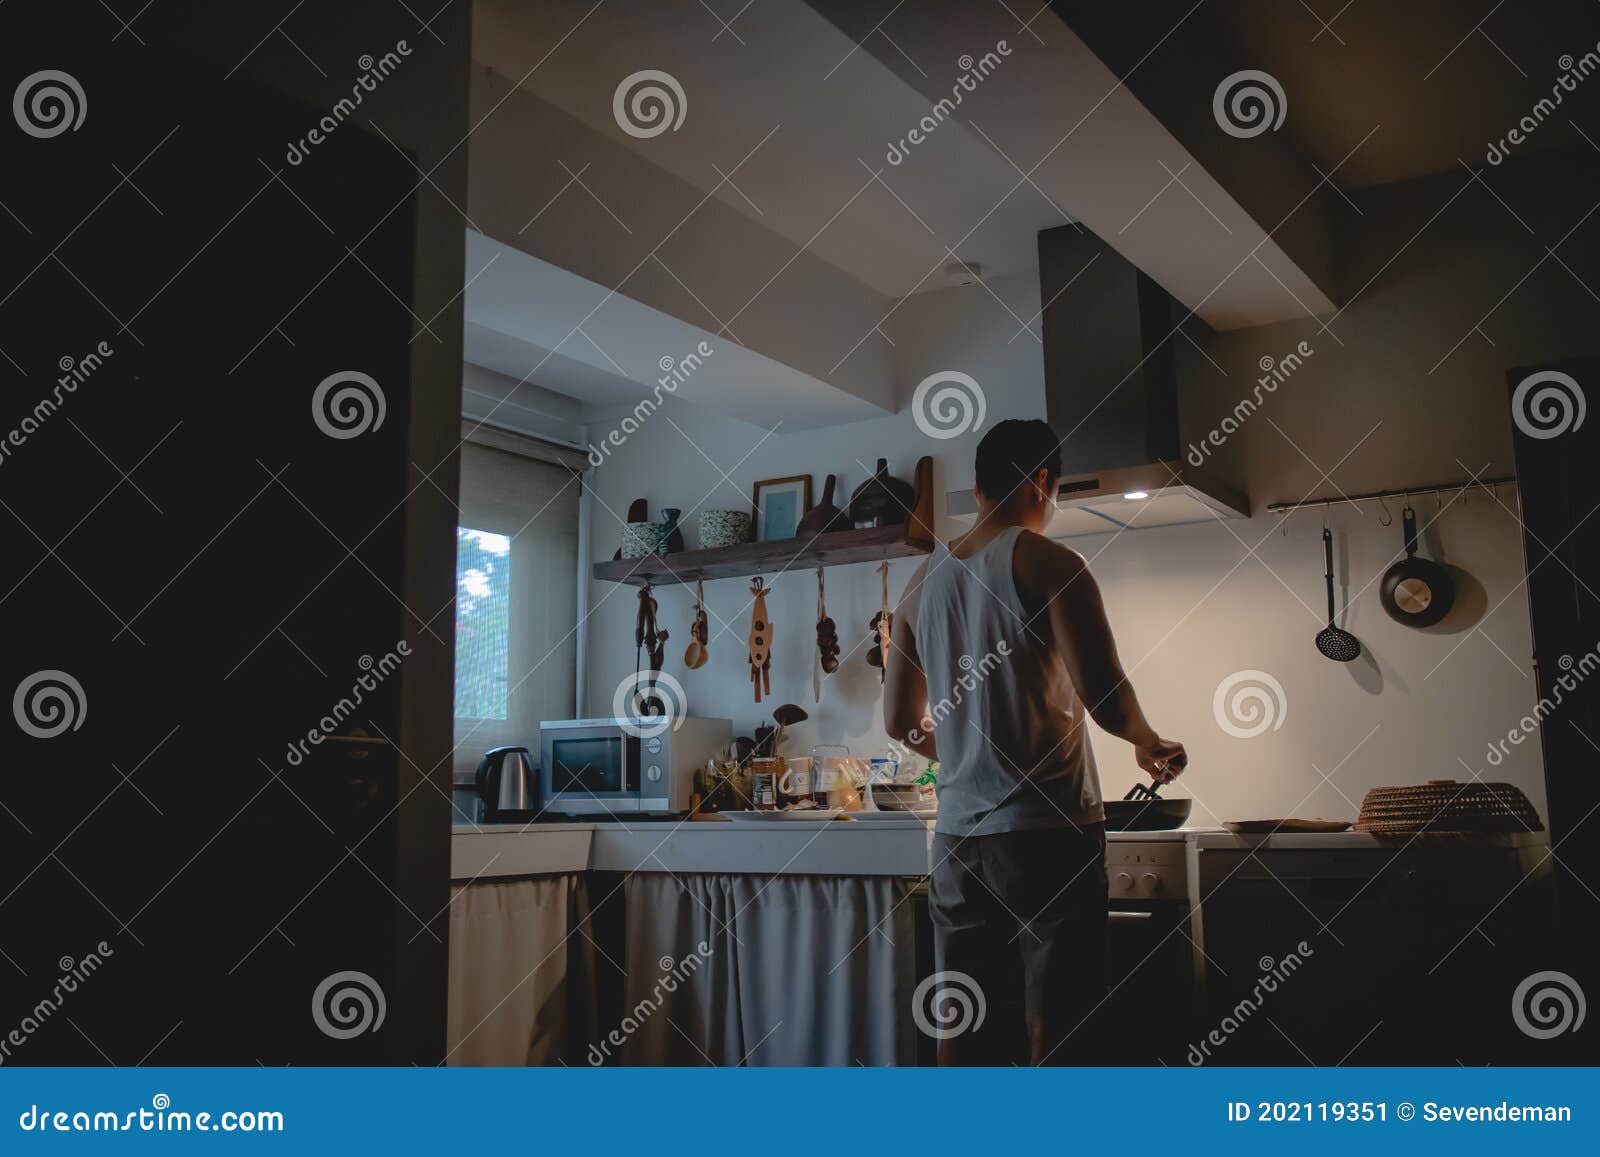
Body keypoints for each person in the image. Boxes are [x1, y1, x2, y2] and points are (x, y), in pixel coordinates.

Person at [885, 418, 1187, 1065]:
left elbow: (898, 722)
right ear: (1043, 483)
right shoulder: (1051, 562)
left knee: (965, 1025)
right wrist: (1147, 738)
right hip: (1049, 831)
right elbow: (1103, 693)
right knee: (1062, 1024)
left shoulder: (920, 584)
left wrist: (970, 755)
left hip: (960, 840)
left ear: (977, 485)